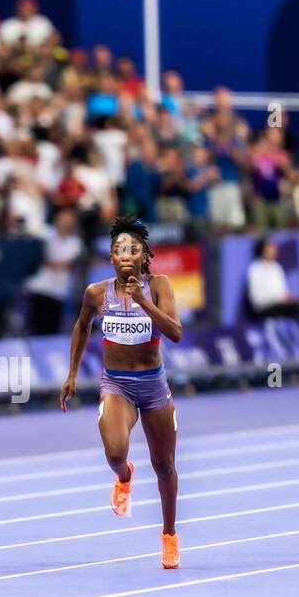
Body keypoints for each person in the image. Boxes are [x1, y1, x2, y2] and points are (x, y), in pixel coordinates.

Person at [59, 216, 183, 569]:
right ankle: (124, 475)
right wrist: (71, 374)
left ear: (144, 255)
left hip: (154, 386)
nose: (125, 254)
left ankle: (169, 536)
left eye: (132, 249)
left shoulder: (159, 285)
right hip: (116, 384)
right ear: (111, 258)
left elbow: (175, 333)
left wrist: (143, 300)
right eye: (118, 250)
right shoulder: (96, 293)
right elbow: (81, 328)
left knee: (165, 465)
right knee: (114, 452)